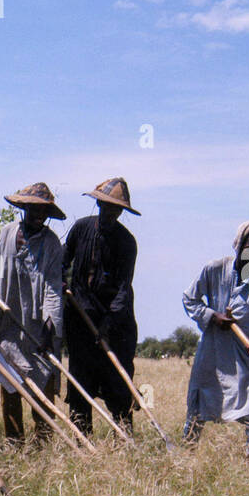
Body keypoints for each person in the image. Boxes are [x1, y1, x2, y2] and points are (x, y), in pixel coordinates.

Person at [182, 221, 249, 456]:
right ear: (239, 244)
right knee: (198, 407)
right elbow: (190, 299)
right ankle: (187, 456)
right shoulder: (214, 269)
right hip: (213, 352)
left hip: (247, 357)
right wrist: (212, 315)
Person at [62, 177, 141, 437]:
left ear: (121, 211)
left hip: (114, 325)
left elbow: (123, 288)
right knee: (79, 383)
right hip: (79, 319)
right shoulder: (80, 228)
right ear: (97, 204)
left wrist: (107, 325)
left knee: (117, 385)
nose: (110, 213)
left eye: (116, 209)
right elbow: (63, 261)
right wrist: (61, 283)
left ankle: (124, 440)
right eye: (106, 207)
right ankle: (82, 440)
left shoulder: (126, 242)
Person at [0, 183, 65, 443]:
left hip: (38, 329)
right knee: (10, 385)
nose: (38, 215)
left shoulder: (52, 244)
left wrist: (50, 326)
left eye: (43, 211)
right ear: (24, 208)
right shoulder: (6, 233)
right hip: (10, 323)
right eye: (33, 209)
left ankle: (43, 446)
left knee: (42, 387)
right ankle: (14, 441)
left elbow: (54, 287)